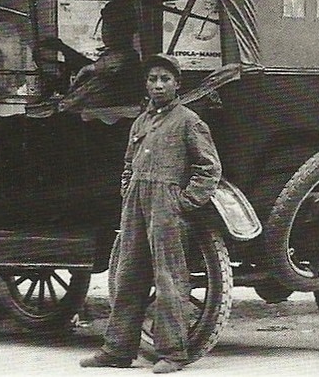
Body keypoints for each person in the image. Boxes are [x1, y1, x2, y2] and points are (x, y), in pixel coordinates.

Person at [81, 54, 222, 374]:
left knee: (169, 279)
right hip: (136, 207)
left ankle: (173, 353)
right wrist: (128, 190)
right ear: (146, 84)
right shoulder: (141, 121)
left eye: (165, 79)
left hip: (166, 205)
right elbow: (129, 164)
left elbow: (209, 168)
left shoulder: (189, 121)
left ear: (177, 85)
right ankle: (117, 350)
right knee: (127, 276)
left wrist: (184, 202)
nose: (158, 85)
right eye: (152, 79)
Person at [36, 0, 143, 121]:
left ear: (129, 30)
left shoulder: (125, 58)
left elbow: (87, 70)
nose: (108, 31)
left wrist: (73, 84)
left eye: (115, 26)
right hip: (80, 114)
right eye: (106, 25)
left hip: (91, 120)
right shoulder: (112, 56)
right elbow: (89, 66)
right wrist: (64, 49)